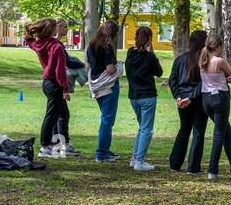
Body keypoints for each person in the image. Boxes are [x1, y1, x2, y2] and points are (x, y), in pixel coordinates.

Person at [200, 35, 231, 179]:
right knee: (219, 135)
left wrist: (224, 77)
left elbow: (215, 76)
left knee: (227, 133)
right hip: (219, 99)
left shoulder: (203, 59)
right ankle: (213, 170)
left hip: (206, 99)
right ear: (218, 47)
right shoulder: (219, 61)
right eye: (221, 47)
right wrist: (224, 60)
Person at [28, 18, 73, 159]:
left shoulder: (39, 43)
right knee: (51, 115)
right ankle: (44, 146)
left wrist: (28, 30)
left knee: (62, 113)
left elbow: (29, 41)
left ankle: (60, 144)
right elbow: (60, 71)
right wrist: (65, 89)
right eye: (55, 27)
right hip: (55, 84)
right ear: (51, 30)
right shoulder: (57, 47)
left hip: (47, 83)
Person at [168, 29, 209, 174]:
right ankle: (193, 166)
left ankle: (175, 163)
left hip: (184, 100)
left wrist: (179, 96)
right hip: (198, 99)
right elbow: (204, 82)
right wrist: (188, 97)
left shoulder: (179, 59)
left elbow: (173, 80)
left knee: (184, 130)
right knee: (198, 132)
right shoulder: (203, 60)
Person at [124, 24, 164, 171]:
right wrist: (152, 52)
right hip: (147, 95)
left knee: (142, 128)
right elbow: (159, 72)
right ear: (149, 39)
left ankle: (135, 158)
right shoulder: (149, 57)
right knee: (147, 129)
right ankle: (139, 161)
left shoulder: (130, 53)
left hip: (133, 96)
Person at [86, 20, 121, 163]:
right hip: (108, 87)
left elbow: (90, 65)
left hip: (96, 85)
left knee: (106, 119)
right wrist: (118, 66)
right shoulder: (107, 47)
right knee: (107, 120)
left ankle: (105, 149)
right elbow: (110, 69)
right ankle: (101, 153)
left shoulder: (91, 45)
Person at [59, 19, 88, 91]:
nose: (67, 29)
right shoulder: (56, 45)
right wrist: (81, 65)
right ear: (58, 27)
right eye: (65, 27)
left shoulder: (58, 44)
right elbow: (66, 62)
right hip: (56, 81)